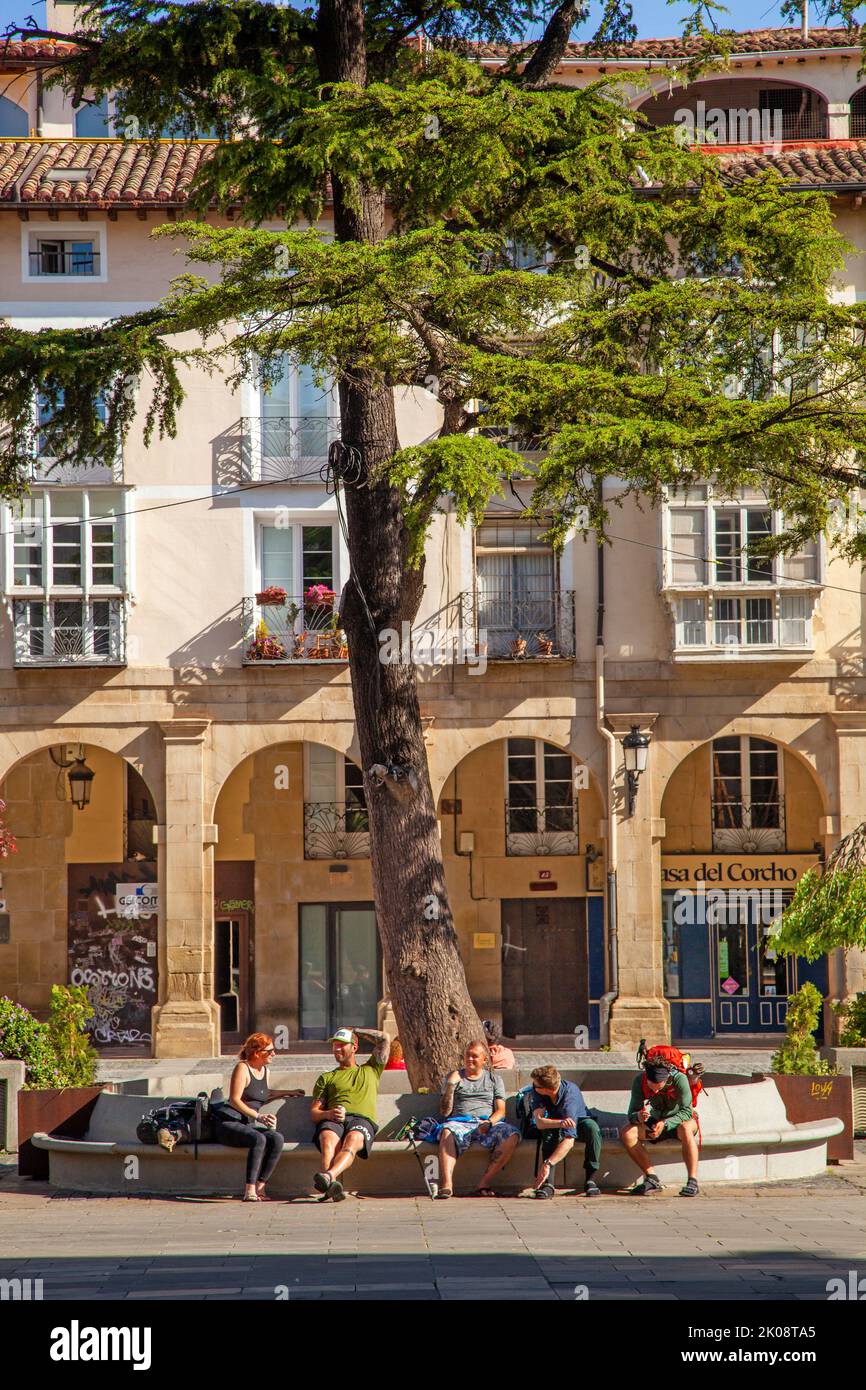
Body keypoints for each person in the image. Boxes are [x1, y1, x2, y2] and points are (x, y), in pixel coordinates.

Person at [210, 1032, 305, 1202]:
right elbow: (234, 1099)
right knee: (259, 1139)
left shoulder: (265, 1071)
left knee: (276, 1138)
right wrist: (259, 1116)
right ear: (257, 1052)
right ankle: (250, 1190)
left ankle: (261, 1186)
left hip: (248, 1124)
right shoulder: (243, 1068)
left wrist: (289, 1092)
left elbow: (264, 1094)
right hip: (229, 1123)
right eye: (270, 1051)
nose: (274, 1054)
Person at [310, 1025, 390, 1201]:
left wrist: (355, 1030)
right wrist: (329, 1114)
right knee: (327, 1138)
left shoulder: (371, 1069)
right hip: (334, 1118)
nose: (336, 1049)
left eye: (342, 1045)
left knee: (353, 1139)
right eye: (335, 1045)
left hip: (361, 1121)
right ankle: (332, 1187)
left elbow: (384, 1038)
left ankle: (328, 1177)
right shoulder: (327, 1077)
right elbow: (315, 1113)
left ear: (354, 1047)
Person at [437, 1040, 521, 1198]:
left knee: (512, 1135)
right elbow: (445, 1112)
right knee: (447, 1131)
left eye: (474, 1056)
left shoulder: (494, 1080)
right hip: (459, 1122)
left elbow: (501, 1111)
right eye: (467, 1055)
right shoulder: (454, 1077)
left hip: (485, 1122)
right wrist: (450, 1086)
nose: (469, 1059)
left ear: (484, 1060)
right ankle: (447, 1185)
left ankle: (484, 1182)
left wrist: (489, 1123)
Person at [619, 1058, 700, 1197]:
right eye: (651, 1085)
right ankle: (652, 1178)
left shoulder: (679, 1079)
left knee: (686, 1129)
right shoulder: (640, 1081)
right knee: (627, 1133)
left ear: (666, 1078)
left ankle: (692, 1181)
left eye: (659, 1085)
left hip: (680, 1120)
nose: (655, 1090)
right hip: (656, 1120)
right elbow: (631, 1113)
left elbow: (687, 1111)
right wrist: (639, 1116)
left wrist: (666, 1124)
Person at [528, 1064, 602, 1199]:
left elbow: (569, 1139)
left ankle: (591, 1179)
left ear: (546, 1090)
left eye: (537, 1085)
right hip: (556, 1121)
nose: (534, 1086)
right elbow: (539, 1123)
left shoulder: (570, 1097)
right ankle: (548, 1184)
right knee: (549, 1132)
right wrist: (560, 1123)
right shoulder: (537, 1090)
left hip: (579, 1121)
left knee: (592, 1128)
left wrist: (548, 1164)